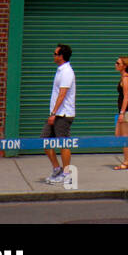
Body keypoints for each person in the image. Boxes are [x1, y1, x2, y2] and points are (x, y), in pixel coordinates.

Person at [42, 43, 76, 185]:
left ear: (61, 56)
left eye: (55, 54)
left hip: (63, 114)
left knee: (63, 144)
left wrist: (54, 113)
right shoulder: (60, 70)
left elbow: (62, 94)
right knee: (45, 140)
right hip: (56, 114)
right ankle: (57, 169)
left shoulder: (67, 72)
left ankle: (67, 174)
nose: (53, 56)